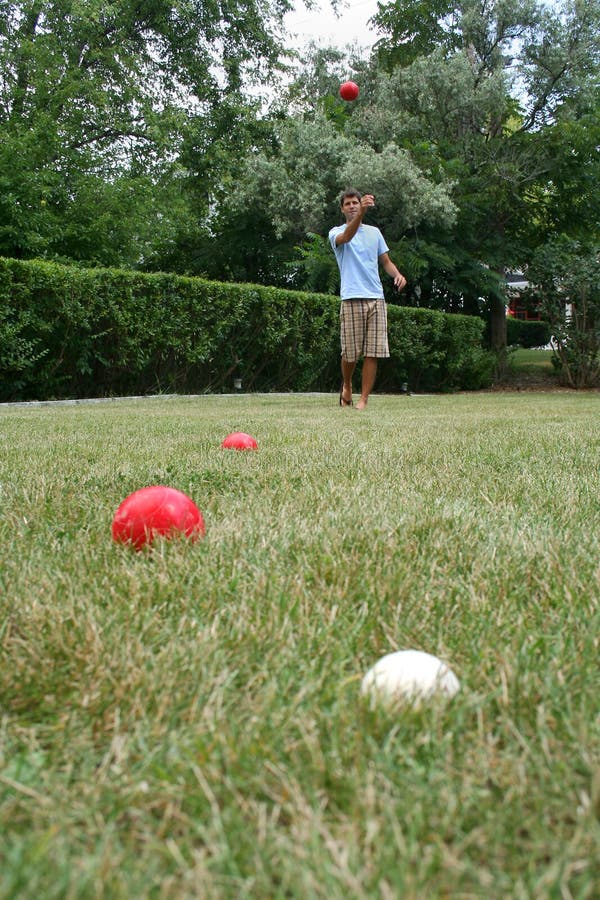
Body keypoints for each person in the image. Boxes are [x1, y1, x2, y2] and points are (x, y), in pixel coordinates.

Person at [328, 189, 406, 410]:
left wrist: (397, 275)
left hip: (376, 299)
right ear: (342, 209)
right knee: (350, 354)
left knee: (373, 352)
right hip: (351, 298)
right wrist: (362, 212)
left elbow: (385, 261)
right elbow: (347, 237)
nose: (352, 206)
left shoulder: (374, 233)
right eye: (348, 204)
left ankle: (363, 400)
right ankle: (347, 384)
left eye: (355, 202)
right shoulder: (336, 232)